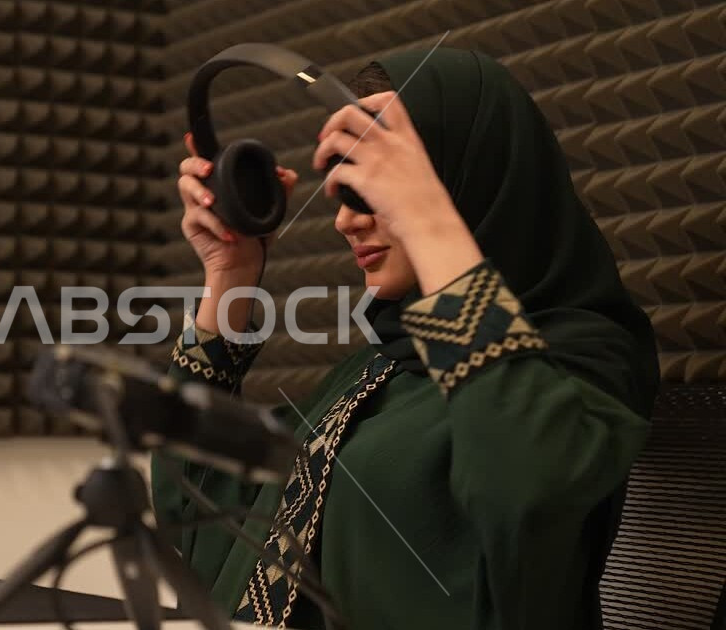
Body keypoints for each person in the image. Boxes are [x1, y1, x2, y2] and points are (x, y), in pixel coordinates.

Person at [152, 48, 659, 630]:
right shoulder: (377, 370)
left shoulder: (584, 356)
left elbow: (528, 495)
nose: (344, 221)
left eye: (373, 188)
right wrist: (231, 275)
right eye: (347, 192)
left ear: (467, 178)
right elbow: (196, 512)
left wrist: (427, 221)